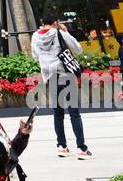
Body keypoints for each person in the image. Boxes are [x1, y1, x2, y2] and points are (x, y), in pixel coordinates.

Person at [32, 13, 90, 159]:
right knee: (74, 114)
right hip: (65, 76)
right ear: (55, 23)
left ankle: (62, 146)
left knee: (58, 114)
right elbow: (78, 49)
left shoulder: (35, 36)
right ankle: (82, 149)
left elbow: (35, 56)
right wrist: (65, 31)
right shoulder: (59, 33)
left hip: (50, 78)